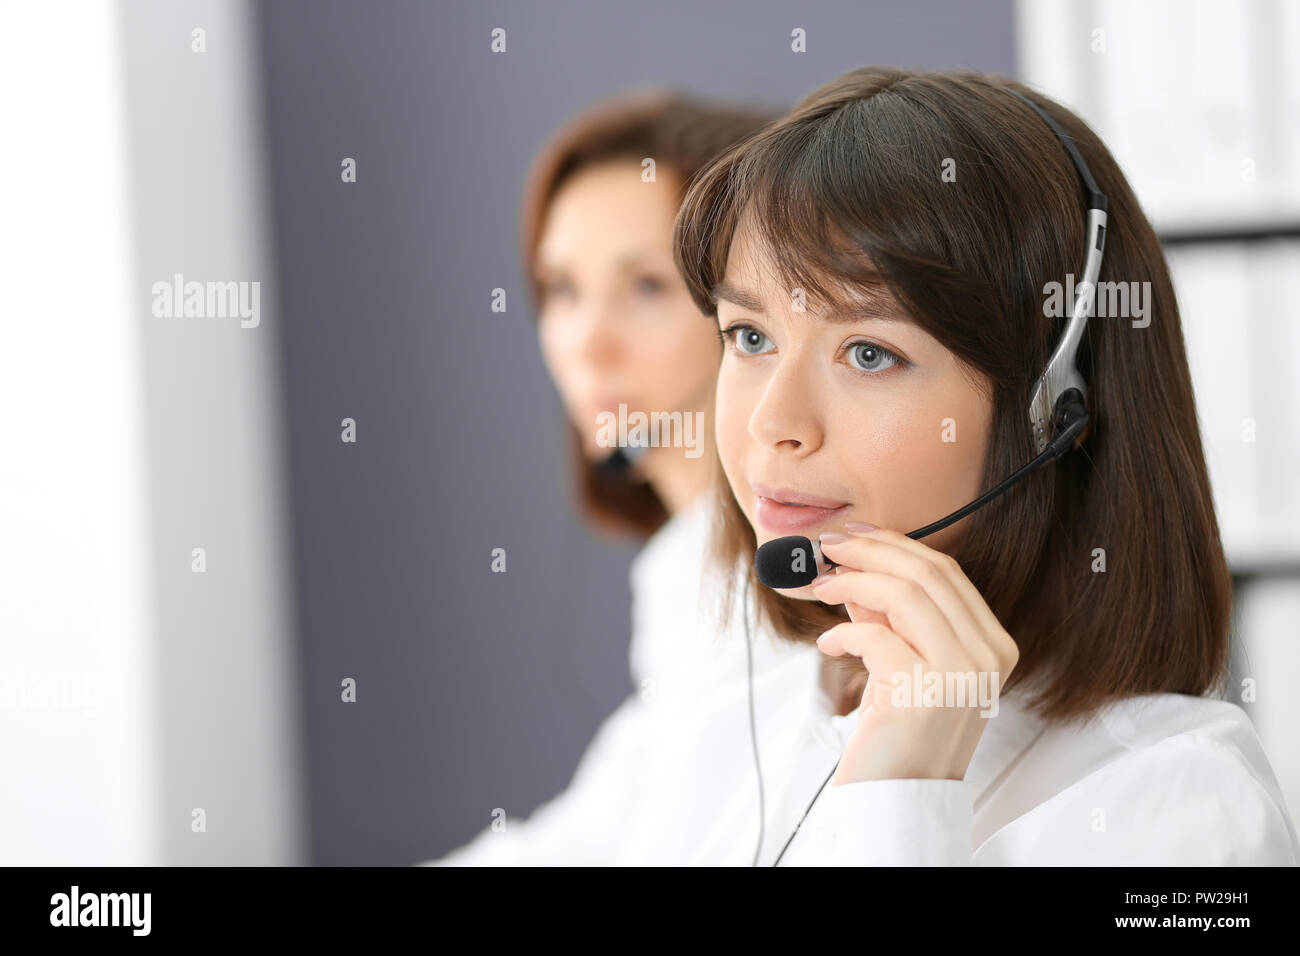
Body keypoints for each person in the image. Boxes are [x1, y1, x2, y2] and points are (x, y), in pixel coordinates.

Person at [421, 90, 792, 866]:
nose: (587, 343)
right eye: (562, 289)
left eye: (646, 287)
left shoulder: (779, 583)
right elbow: (589, 834)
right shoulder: (690, 568)